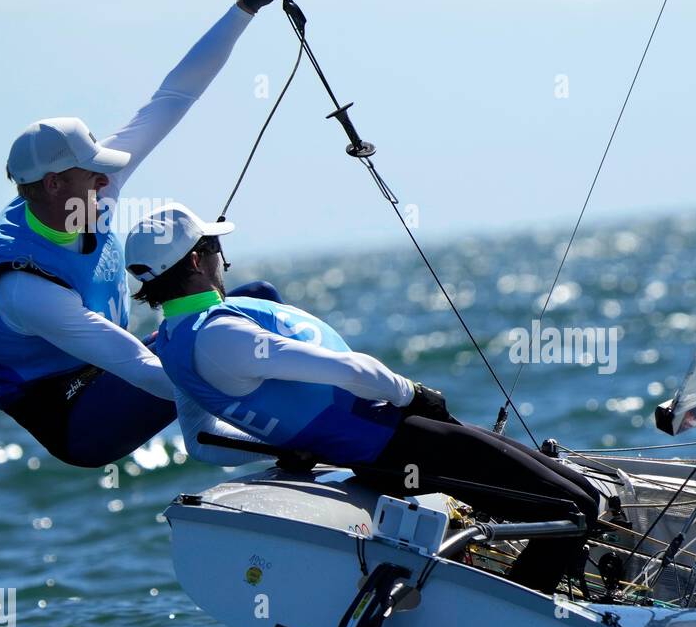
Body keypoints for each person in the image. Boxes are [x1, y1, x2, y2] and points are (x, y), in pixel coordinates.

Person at [124, 204, 605, 594]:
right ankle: (517, 620)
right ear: (193, 262)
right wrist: (413, 392)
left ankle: (532, 593)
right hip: (399, 445)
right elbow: (347, 370)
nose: (222, 259)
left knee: (581, 498)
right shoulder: (219, 336)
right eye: (214, 249)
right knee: (572, 511)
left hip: (388, 451)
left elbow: (204, 442)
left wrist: (282, 444)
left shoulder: (175, 341)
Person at [0, 0, 307, 468]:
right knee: (224, 357)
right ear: (56, 182)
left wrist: (251, 3)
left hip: (119, 367)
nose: (108, 179)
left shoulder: (87, 190)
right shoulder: (24, 287)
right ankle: (268, 442)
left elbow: (175, 94)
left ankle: (299, 433)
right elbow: (142, 367)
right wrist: (282, 416)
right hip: (76, 417)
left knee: (258, 303)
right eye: (94, 171)